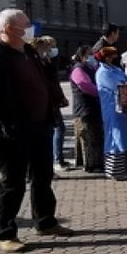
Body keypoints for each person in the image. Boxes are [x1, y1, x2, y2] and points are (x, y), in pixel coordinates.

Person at [0, 9, 74, 253]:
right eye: (25, 25)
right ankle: (4, 232)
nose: (31, 29)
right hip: (11, 130)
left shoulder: (28, 51)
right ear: (8, 28)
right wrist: (0, 125)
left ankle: (45, 221)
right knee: (13, 182)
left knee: (43, 176)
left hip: (40, 125)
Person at [95, 46, 127, 180]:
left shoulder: (116, 69)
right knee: (116, 137)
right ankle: (116, 171)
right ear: (107, 57)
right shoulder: (102, 72)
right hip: (112, 110)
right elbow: (120, 84)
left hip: (125, 108)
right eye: (113, 56)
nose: (115, 58)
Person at [34, 36, 71, 171]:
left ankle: (56, 160)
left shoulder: (48, 61)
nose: (53, 49)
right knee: (55, 130)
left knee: (57, 129)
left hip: (53, 101)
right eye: (50, 46)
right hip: (48, 102)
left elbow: (54, 82)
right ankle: (55, 160)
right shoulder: (41, 63)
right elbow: (49, 83)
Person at [68, 45, 104, 174]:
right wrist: (101, 92)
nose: (92, 57)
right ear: (82, 55)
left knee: (95, 136)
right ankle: (91, 164)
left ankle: (97, 162)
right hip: (84, 109)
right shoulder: (78, 69)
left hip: (92, 107)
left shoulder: (90, 68)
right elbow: (85, 85)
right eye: (89, 54)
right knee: (89, 138)